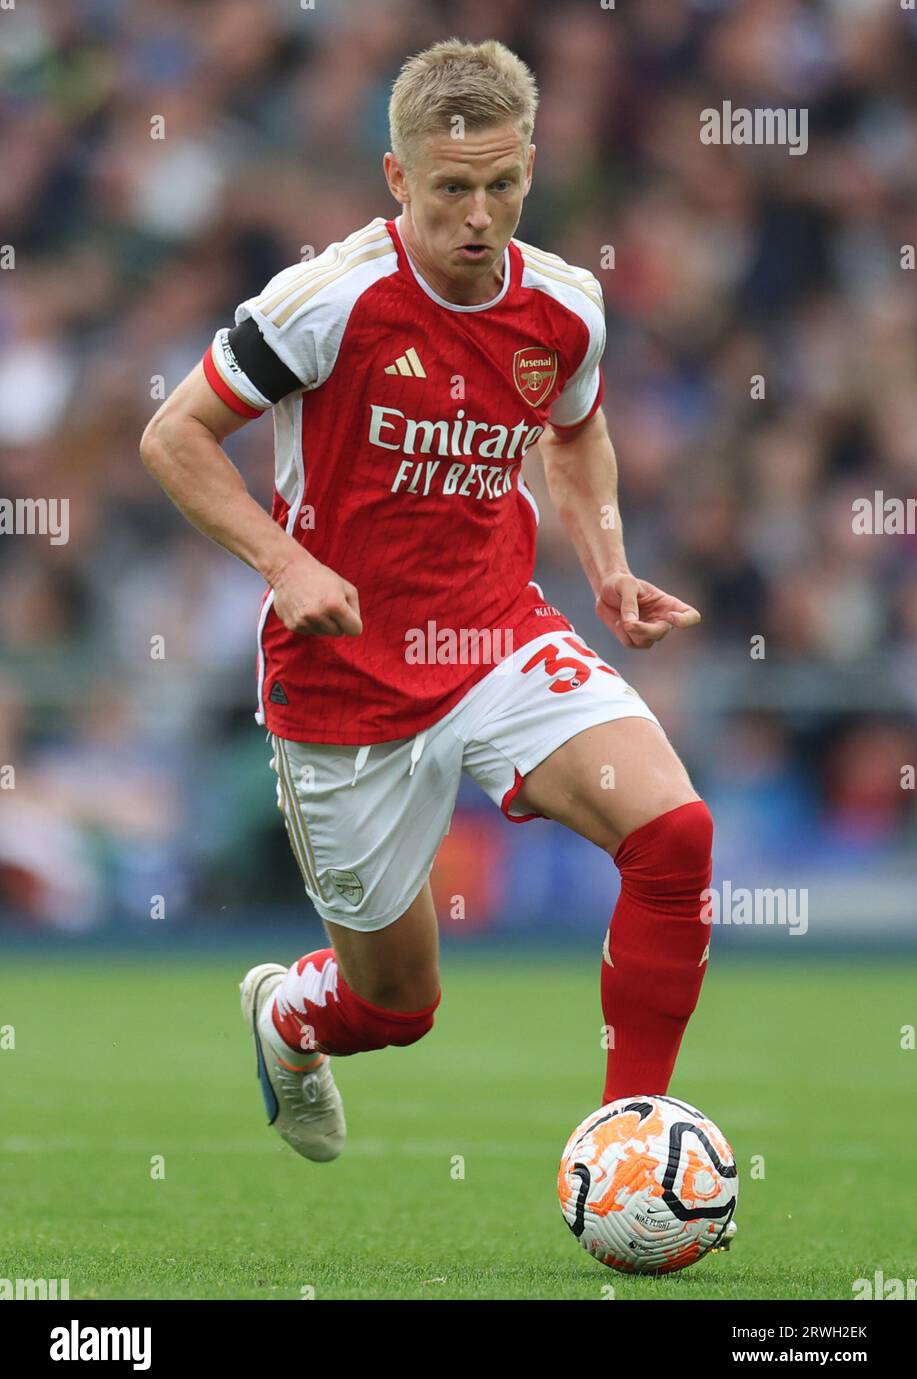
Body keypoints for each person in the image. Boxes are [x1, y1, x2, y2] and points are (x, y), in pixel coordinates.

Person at [140, 38, 713, 1169]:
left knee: (673, 835)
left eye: (503, 185)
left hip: (497, 637)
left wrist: (603, 563)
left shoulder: (565, 305)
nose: (480, 215)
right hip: (347, 680)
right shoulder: (325, 300)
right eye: (451, 188)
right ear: (398, 180)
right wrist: (285, 563)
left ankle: (624, 1141)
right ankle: (292, 1015)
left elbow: (575, 432)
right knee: (395, 1009)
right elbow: (174, 437)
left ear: (532, 169)